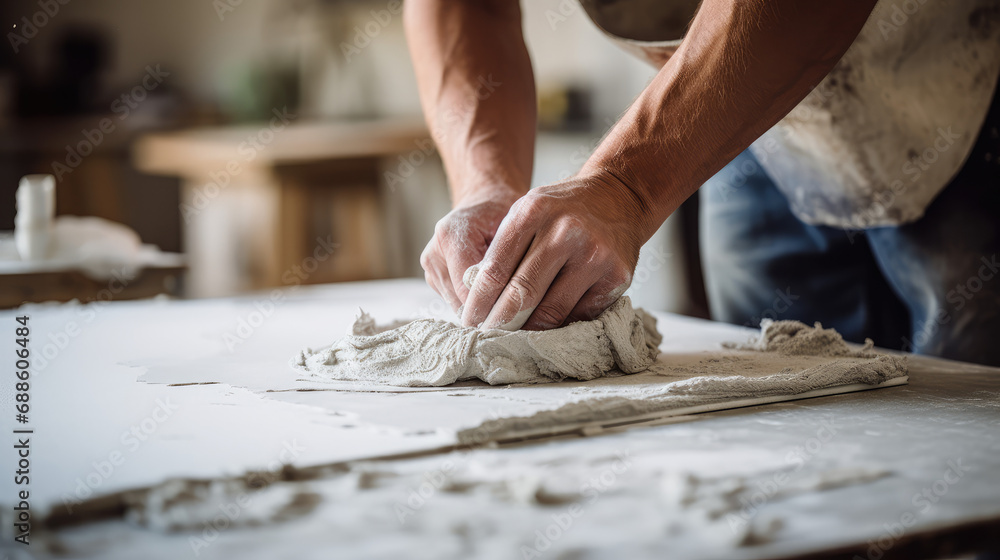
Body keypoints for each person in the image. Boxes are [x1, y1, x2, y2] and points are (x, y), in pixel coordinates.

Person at [403, 0, 1000, 366]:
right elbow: (468, 5)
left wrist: (624, 188)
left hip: (961, 80)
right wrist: (485, 185)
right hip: (743, 118)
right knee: (780, 427)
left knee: (968, 425)